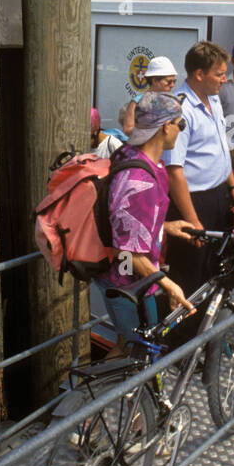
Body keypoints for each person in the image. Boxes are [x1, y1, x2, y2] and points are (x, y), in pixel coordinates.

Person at [98, 93, 197, 355]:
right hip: (127, 284)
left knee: (131, 348)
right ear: (166, 126)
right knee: (136, 353)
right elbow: (128, 251)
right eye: (181, 124)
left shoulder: (133, 155)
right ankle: (91, 396)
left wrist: (165, 226)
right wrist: (169, 285)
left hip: (131, 278)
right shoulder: (138, 180)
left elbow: (130, 223)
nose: (180, 130)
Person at [163, 41, 234, 301]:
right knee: (189, 277)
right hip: (193, 201)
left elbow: (221, 146)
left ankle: (206, 337)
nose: (224, 79)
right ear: (200, 74)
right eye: (219, 74)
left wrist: (232, 185)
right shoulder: (180, 109)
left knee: (213, 270)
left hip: (219, 195)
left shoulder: (213, 100)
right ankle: (183, 339)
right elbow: (174, 171)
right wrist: (194, 222)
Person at [119, 55, 177, 134]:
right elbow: (127, 130)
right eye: (169, 82)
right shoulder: (137, 102)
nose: (172, 85)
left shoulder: (172, 102)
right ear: (154, 81)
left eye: (174, 81)